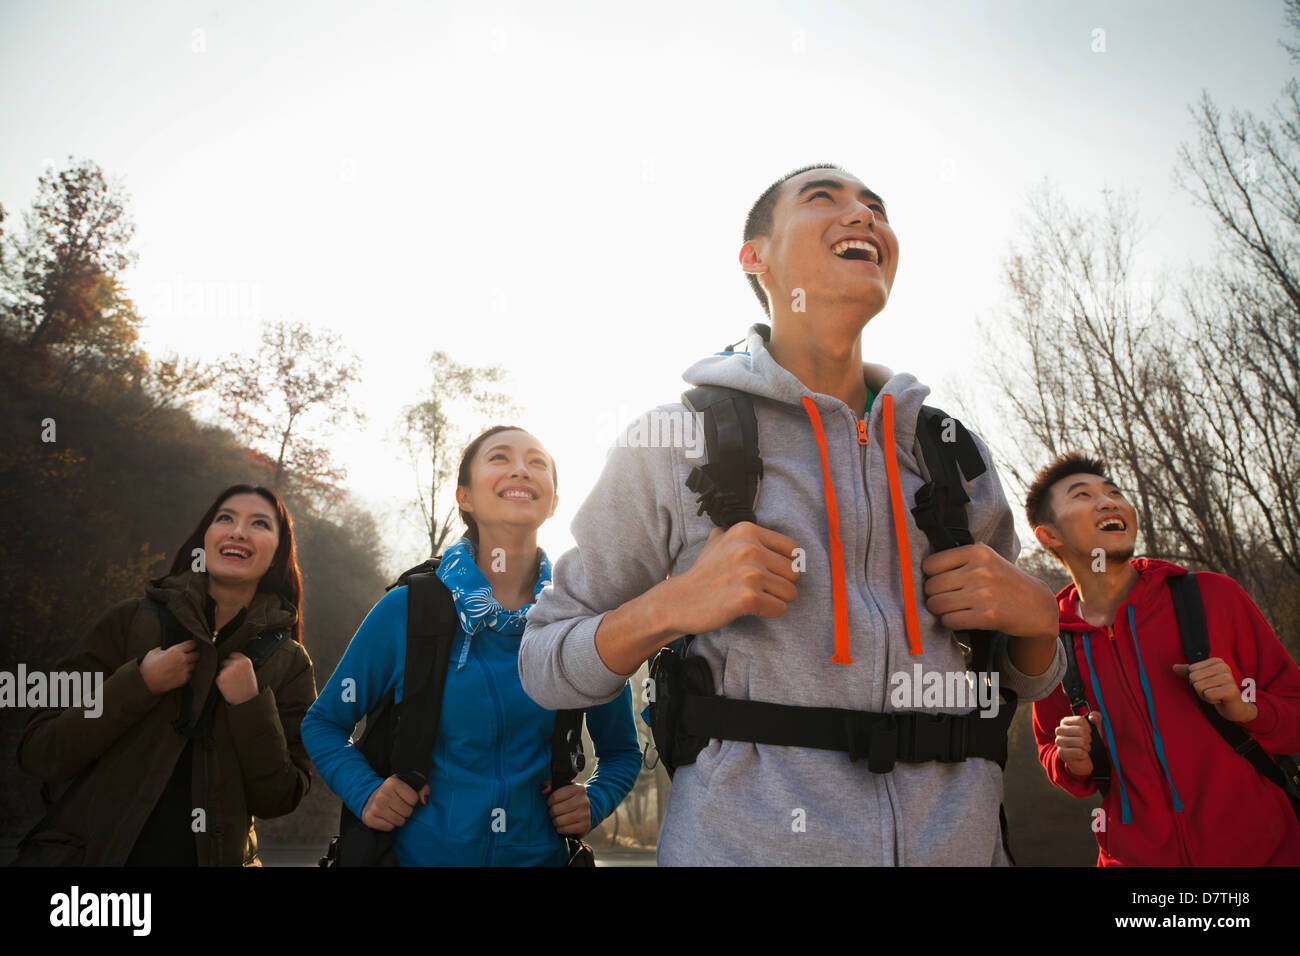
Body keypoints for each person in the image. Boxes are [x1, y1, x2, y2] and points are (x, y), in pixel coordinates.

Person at [519, 163, 1065, 865]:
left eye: (876, 206)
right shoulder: (673, 443)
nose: (863, 215)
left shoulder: (951, 453)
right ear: (756, 257)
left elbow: (1025, 678)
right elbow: (543, 664)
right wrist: (670, 607)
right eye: (823, 199)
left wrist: (1039, 624)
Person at [302, 426, 641, 866]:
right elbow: (324, 722)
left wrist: (594, 800)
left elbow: (622, 751)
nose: (521, 468)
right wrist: (365, 792)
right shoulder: (407, 610)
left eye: (537, 462)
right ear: (464, 496)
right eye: (500, 457)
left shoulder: (579, 622)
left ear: (554, 501)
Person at [16, 484, 317, 866]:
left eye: (260, 524)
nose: (238, 531)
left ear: (278, 554)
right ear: (204, 539)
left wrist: (250, 706)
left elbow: (280, 797)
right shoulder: (127, 622)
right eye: (225, 518)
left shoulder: (291, 663)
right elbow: (40, 753)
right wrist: (136, 684)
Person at [1026, 451, 1300, 865]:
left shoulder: (1212, 598)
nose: (1108, 501)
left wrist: (1248, 709)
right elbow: (1052, 750)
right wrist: (1073, 760)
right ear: (1050, 537)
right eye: (1083, 495)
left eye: (1114, 492)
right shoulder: (1050, 639)